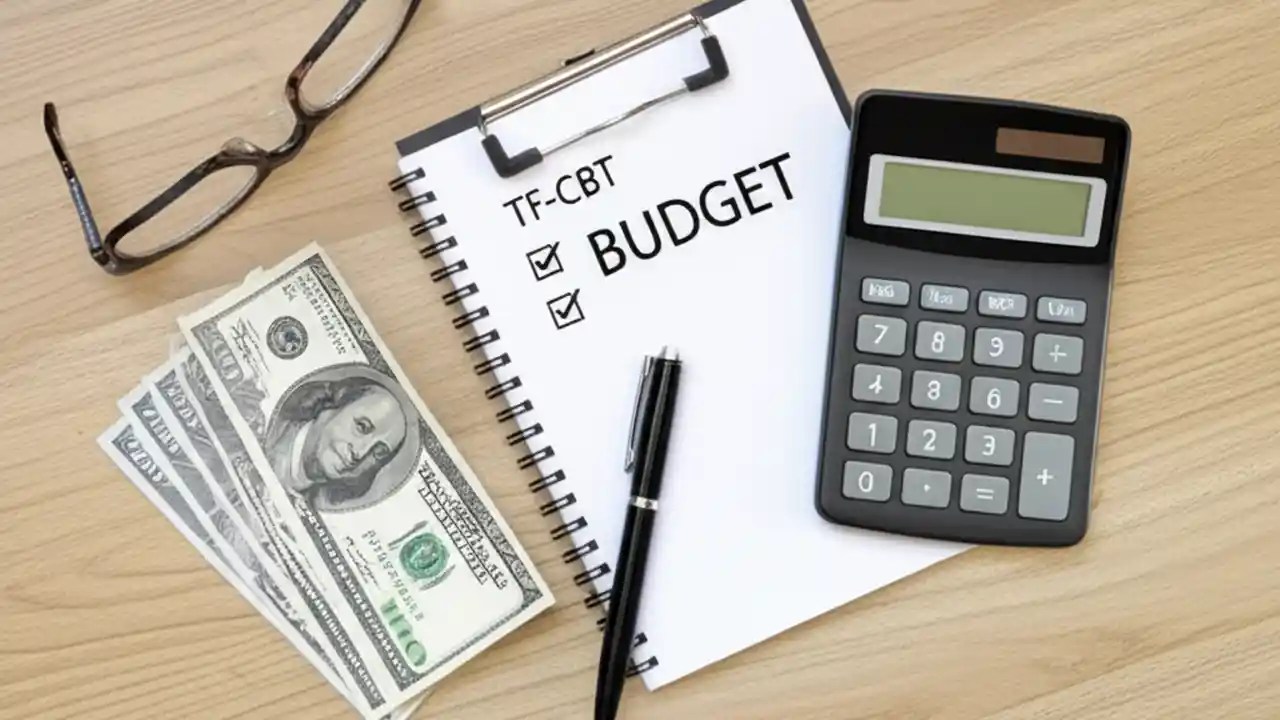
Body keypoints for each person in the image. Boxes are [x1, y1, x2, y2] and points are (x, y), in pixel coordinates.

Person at [265, 375, 410, 510]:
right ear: (331, 406)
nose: (360, 452)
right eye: (362, 427)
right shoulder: (264, 429)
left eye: (378, 453)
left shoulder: (308, 504)